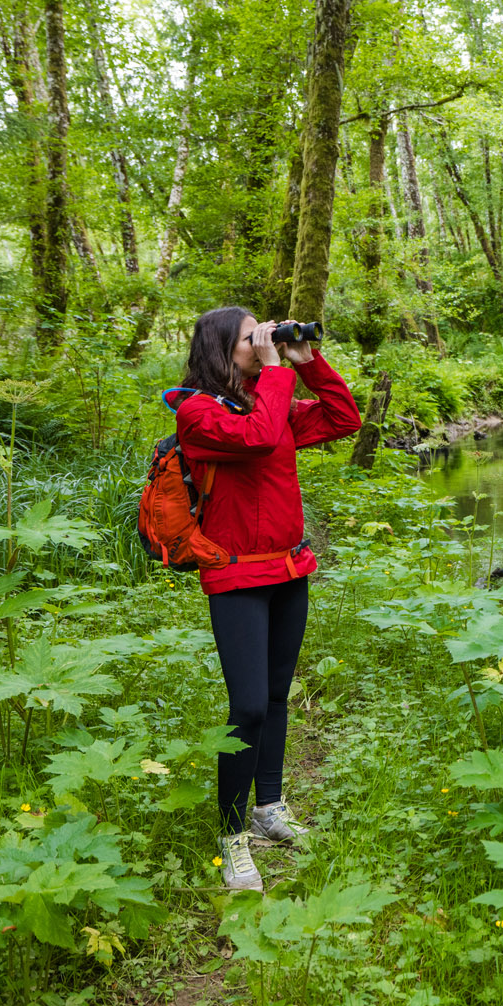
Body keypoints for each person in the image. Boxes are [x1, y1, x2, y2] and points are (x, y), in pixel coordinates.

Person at [167, 307, 362, 891]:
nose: (264, 340)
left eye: (265, 332)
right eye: (253, 334)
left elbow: (343, 418)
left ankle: (268, 807)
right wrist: (278, 371)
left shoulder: (268, 400)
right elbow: (254, 442)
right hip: (235, 577)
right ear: (224, 345)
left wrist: (308, 362)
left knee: (277, 695)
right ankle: (232, 839)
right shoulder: (198, 414)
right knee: (248, 706)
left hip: (288, 570)